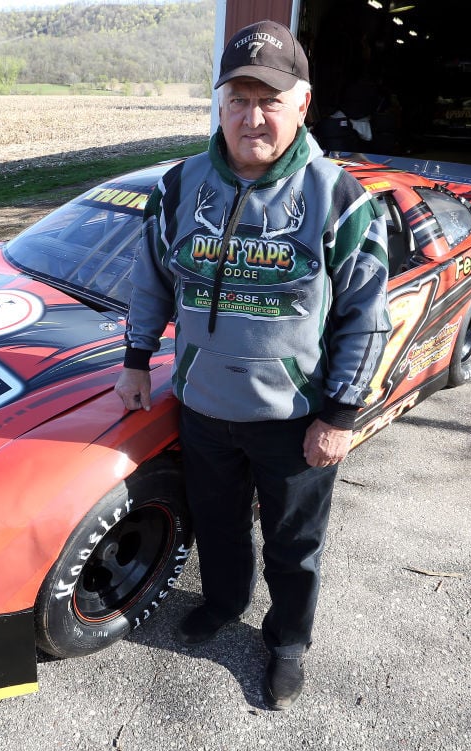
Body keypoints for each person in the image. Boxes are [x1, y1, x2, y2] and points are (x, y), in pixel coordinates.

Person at [114, 19, 391, 711]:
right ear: (220, 106)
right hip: (204, 405)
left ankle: (288, 640)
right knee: (218, 523)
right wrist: (138, 359)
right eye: (237, 98)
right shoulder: (180, 187)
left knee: (294, 544)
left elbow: (367, 314)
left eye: (269, 99)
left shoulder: (340, 200)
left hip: (294, 418)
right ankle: (224, 602)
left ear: (303, 104)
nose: (251, 115)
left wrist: (340, 413)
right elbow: (151, 279)